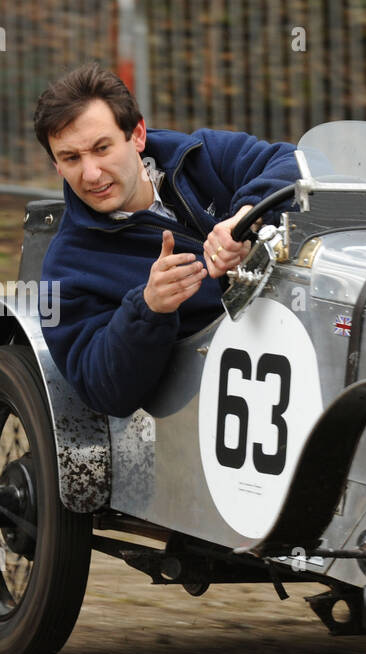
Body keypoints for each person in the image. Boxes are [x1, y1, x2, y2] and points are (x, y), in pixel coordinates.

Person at [32, 63, 299, 416]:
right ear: (57, 166)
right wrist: (150, 307)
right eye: (71, 158)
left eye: (101, 148)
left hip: (301, 321)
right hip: (216, 398)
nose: (91, 173)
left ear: (137, 135)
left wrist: (244, 217)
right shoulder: (64, 271)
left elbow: (298, 163)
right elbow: (102, 389)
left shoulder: (202, 155)